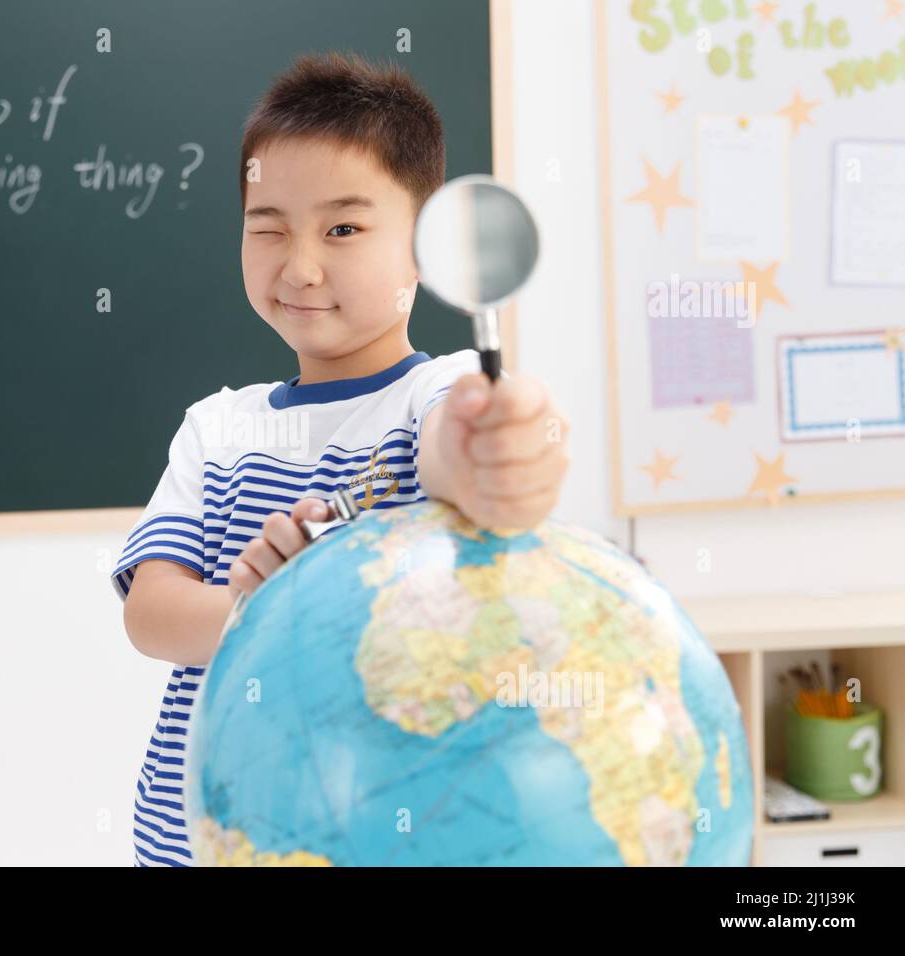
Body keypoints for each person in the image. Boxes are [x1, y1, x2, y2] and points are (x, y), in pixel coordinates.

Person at [111, 51, 571, 866]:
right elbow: (151, 616)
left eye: (344, 229)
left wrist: (505, 452)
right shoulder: (216, 428)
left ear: (426, 251)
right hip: (195, 842)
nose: (300, 266)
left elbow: (464, 447)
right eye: (268, 228)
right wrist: (260, 609)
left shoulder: (441, 389)